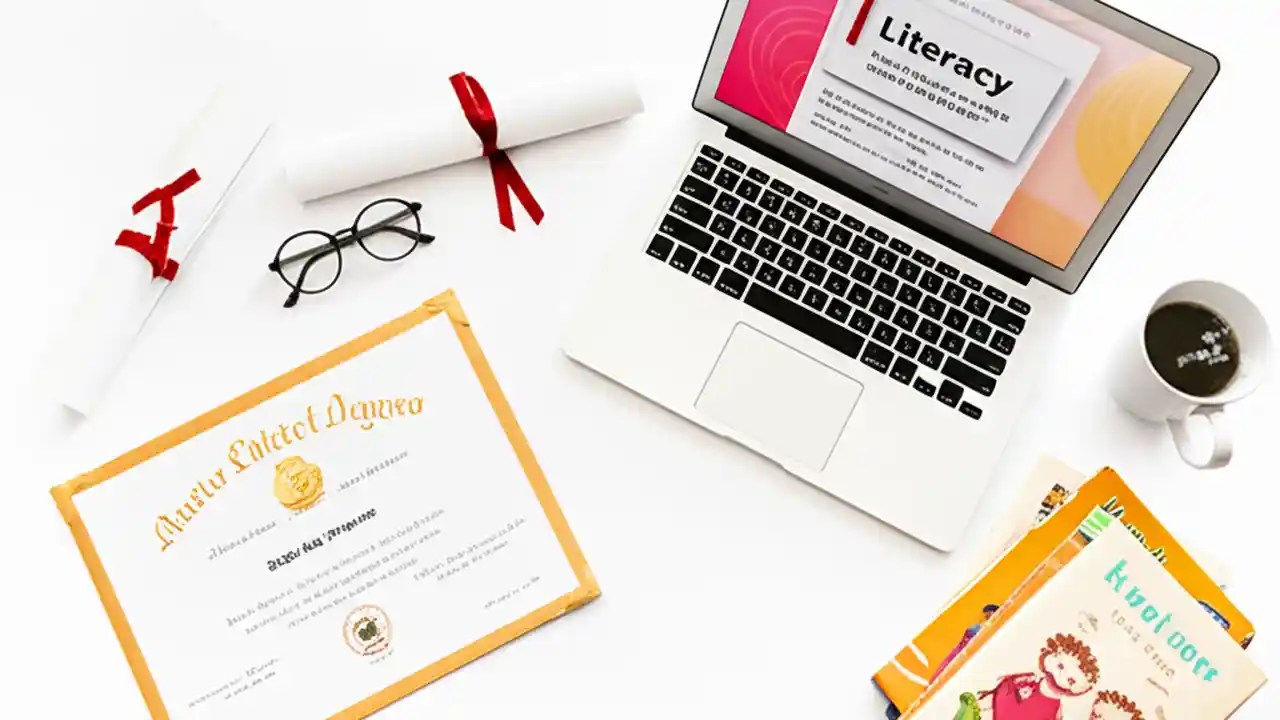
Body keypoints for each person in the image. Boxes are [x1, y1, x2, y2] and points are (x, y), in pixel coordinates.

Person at [976, 632, 1100, 720]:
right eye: (1060, 666)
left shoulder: (1054, 711)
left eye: (1070, 680)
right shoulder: (1024, 679)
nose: (1059, 676)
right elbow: (997, 693)